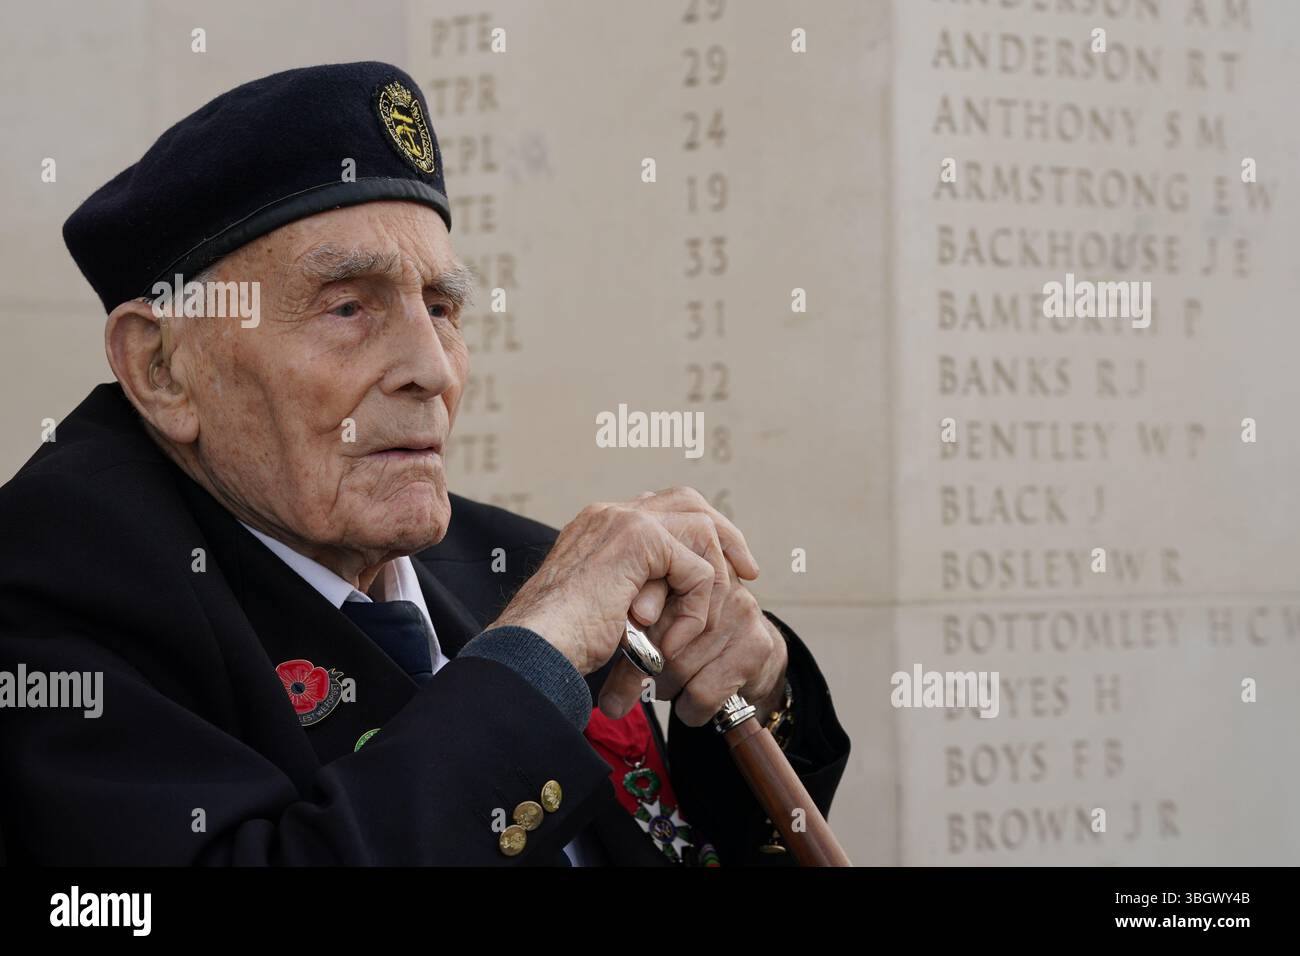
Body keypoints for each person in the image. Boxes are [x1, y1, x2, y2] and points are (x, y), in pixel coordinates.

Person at [0, 61, 849, 866]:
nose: (433, 368)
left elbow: (701, 842)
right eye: (346, 308)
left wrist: (752, 681)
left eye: (442, 307)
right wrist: (534, 659)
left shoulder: (504, 565)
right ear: (161, 367)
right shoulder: (45, 599)